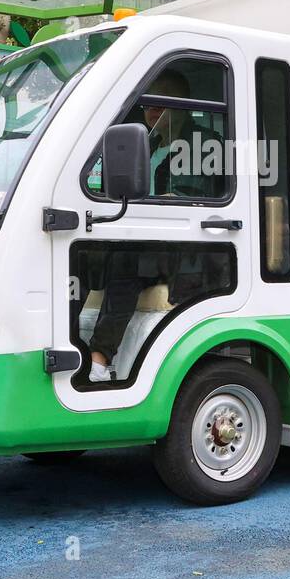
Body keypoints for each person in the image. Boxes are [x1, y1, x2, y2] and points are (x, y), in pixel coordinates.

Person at [85, 68, 225, 382]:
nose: (150, 113)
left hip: (192, 247)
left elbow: (189, 198)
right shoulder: (149, 142)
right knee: (87, 256)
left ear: (181, 106)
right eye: (147, 106)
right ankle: (71, 349)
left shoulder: (201, 142)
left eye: (158, 106)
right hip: (151, 236)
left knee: (125, 262)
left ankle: (100, 360)